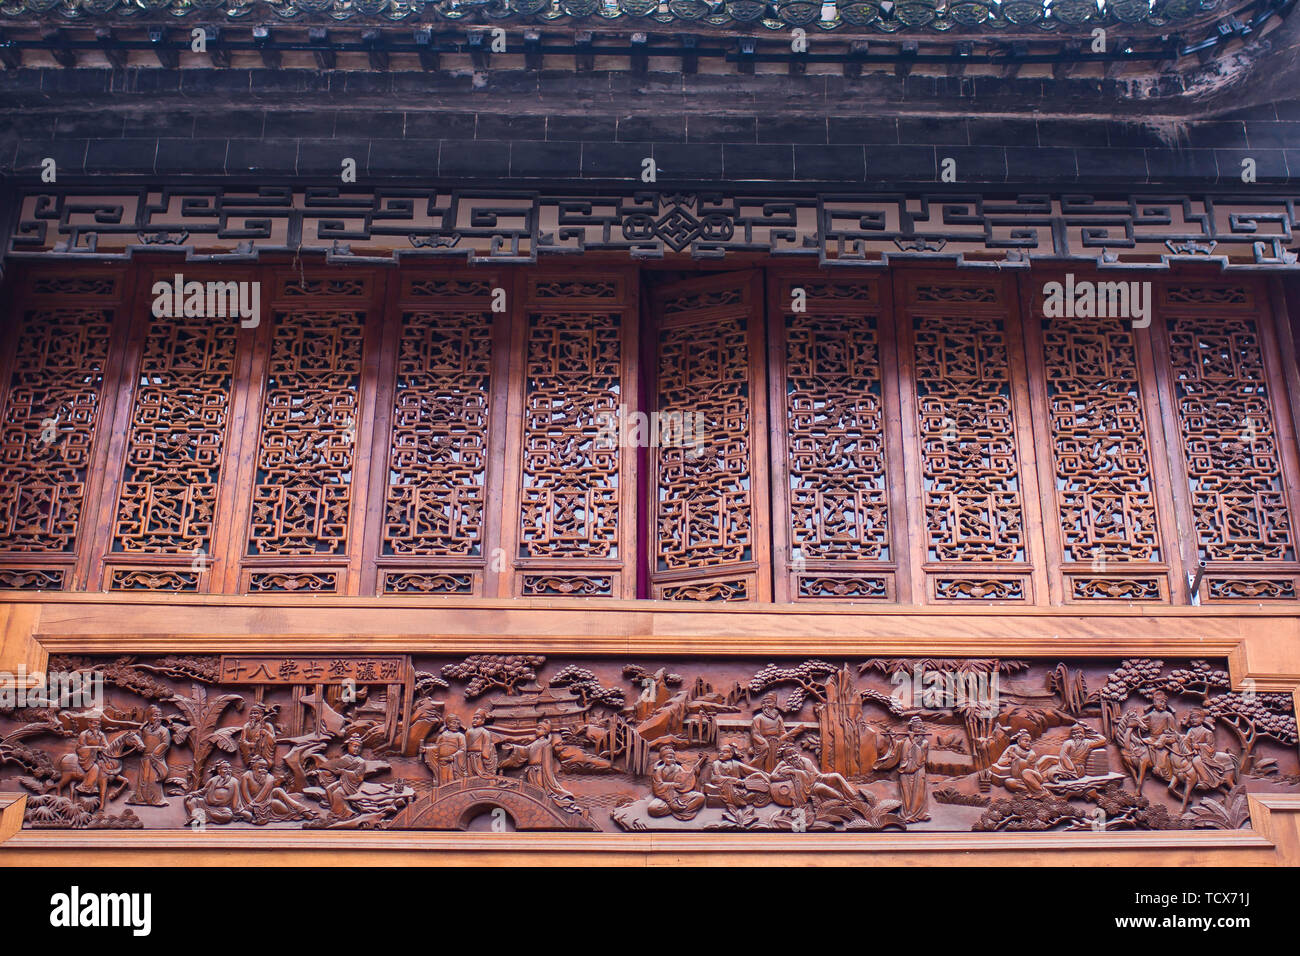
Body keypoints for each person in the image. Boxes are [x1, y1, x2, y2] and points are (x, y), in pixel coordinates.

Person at [238, 756, 314, 823]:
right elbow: (245, 794)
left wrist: (256, 803)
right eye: (260, 767)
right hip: (252, 804)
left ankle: (302, 810)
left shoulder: (269, 777)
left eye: (265, 768)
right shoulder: (246, 776)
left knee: (278, 790)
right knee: (277, 804)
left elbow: (264, 793)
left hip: (264, 801)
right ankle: (299, 811)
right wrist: (251, 805)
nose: (263, 770)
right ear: (253, 767)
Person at [126, 705, 172, 807]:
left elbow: (165, 744)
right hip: (144, 758)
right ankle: (140, 798)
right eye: (155, 715)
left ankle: (156, 799)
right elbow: (140, 742)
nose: (158, 718)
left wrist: (155, 755)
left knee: (153, 780)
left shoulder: (164, 731)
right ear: (149, 717)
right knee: (143, 780)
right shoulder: (145, 730)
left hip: (155, 759)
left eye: (160, 716)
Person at [647, 745, 707, 820]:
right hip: (666, 797)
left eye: (672, 757)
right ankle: (679, 809)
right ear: (662, 758)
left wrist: (695, 773)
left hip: (681, 795)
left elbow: (687, 780)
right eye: (668, 757)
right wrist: (673, 785)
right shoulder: (659, 770)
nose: (671, 759)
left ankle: (678, 809)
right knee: (652, 808)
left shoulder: (678, 768)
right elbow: (657, 786)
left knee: (700, 797)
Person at [185, 760, 241, 824]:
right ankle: (196, 816)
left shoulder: (234, 782)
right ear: (219, 770)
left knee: (228, 816)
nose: (228, 771)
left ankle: (205, 815)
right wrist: (193, 794)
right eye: (225, 769)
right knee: (191, 800)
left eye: (230, 768)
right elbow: (203, 791)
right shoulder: (213, 780)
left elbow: (236, 797)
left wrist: (235, 809)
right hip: (207, 805)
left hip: (222, 808)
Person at [896, 717, 931, 823]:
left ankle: (919, 814)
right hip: (905, 771)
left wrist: (912, 741)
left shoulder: (924, 742)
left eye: (920, 727)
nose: (918, 729)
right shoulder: (904, 741)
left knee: (918, 793)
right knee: (906, 794)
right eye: (916, 727)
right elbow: (896, 750)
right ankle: (907, 815)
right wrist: (893, 740)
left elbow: (920, 757)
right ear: (911, 727)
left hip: (918, 771)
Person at [749, 693, 786, 772]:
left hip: (776, 743)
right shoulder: (758, 718)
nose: (766, 705)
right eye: (764, 703)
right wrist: (764, 743)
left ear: (774, 704)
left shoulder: (779, 717)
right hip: (764, 743)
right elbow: (755, 734)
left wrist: (784, 740)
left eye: (768, 702)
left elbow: (782, 732)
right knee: (765, 754)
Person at [464, 710, 497, 777]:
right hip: (469, 756)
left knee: (480, 773)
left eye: (477, 718)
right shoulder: (468, 732)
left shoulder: (485, 732)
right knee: (470, 773)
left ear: (483, 720)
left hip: (479, 757)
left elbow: (486, 746)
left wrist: (485, 756)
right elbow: (465, 746)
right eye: (474, 718)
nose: (475, 720)